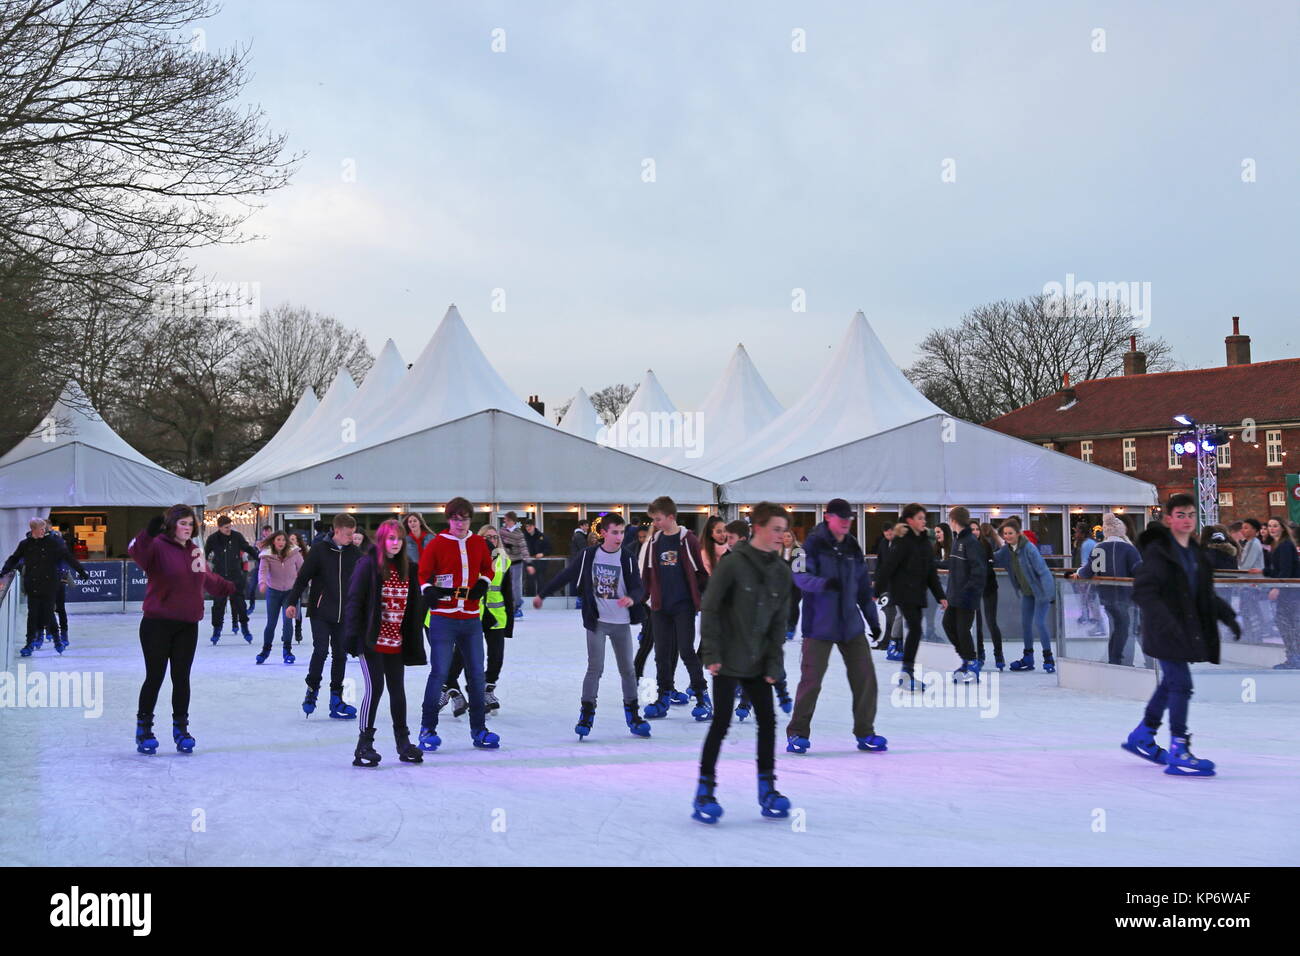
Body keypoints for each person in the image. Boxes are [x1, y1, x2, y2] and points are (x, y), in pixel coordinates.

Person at [1123, 493, 1240, 775]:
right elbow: (1144, 592)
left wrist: (1227, 616)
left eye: (1190, 515)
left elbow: (1202, 593)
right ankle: (1178, 748)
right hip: (1164, 631)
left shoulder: (1194, 553)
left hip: (1183, 629)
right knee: (1181, 685)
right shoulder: (1159, 553)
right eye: (1180, 515)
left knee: (1171, 684)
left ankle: (1143, 734)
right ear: (1168, 519)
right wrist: (1166, 622)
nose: (1186, 520)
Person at [694, 502, 795, 824]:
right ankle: (704, 791)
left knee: (767, 721)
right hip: (727, 657)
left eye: (784, 530)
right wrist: (711, 654)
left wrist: (774, 665)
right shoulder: (733, 564)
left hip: (759, 659)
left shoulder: (781, 571)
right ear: (759, 527)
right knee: (721, 722)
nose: (782, 535)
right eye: (776, 529)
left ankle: (768, 789)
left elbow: (779, 624)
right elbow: (709, 608)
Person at [127, 505, 236, 754]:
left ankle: (181, 728)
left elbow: (207, 578)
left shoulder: (195, 552)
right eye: (183, 523)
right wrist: (147, 533)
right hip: (157, 623)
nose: (188, 528)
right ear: (172, 524)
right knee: (155, 677)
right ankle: (144, 729)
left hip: (187, 625)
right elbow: (136, 551)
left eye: (190, 524)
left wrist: (231, 586)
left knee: (181, 679)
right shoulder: (156, 546)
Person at [535, 513, 651, 739]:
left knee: (627, 669)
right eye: (615, 532)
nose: (619, 537)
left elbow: (639, 587)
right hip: (597, 622)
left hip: (621, 622)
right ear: (604, 533)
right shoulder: (589, 555)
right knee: (594, 668)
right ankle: (586, 714)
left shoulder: (627, 557)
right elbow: (567, 574)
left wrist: (632, 599)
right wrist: (543, 594)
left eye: (621, 532)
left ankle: (633, 715)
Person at [785, 498, 887, 754]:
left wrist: (873, 621)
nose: (846, 523)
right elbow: (799, 577)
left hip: (850, 624)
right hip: (820, 624)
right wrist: (824, 584)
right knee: (812, 680)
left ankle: (865, 732)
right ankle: (797, 733)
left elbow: (863, 588)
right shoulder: (808, 545)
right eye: (841, 518)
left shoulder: (853, 546)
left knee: (865, 677)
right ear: (828, 517)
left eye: (849, 519)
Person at [343, 518, 429, 767]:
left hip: (395, 641)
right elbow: (355, 601)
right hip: (371, 640)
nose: (396, 543)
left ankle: (403, 743)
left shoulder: (408, 569)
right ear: (382, 540)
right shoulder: (368, 565)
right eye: (391, 538)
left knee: (397, 691)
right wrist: (352, 636)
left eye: (400, 539)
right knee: (375, 689)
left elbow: (414, 608)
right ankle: (364, 744)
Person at [417, 497, 500, 751]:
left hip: (471, 618)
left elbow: (488, 569)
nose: (460, 523)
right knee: (440, 672)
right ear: (448, 519)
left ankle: (479, 729)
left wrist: (483, 583)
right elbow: (423, 573)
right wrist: (428, 589)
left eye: (464, 518)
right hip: (444, 617)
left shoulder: (478, 543)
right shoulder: (437, 544)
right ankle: (427, 728)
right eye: (455, 518)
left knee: (476, 675)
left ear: (470, 519)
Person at [637, 495, 711, 720]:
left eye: (658, 519)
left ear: (671, 517)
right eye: (653, 520)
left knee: (687, 651)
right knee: (662, 654)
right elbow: (648, 573)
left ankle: (702, 696)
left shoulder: (687, 539)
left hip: (683, 606)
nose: (655, 524)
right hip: (660, 606)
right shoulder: (655, 541)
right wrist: (643, 599)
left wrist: (700, 598)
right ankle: (664, 695)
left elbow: (701, 572)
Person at [285, 513, 361, 719]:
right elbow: (302, 578)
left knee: (340, 655)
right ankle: (312, 690)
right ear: (336, 531)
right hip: (320, 611)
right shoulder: (319, 550)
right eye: (347, 534)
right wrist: (292, 602)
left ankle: (336, 698)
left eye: (353, 534)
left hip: (344, 613)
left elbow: (363, 582)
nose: (350, 538)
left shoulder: (355, 553)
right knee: (320, 650)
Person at [441, 526, 515, 717]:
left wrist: (509, 624)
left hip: (497, 617)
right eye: (487, 537)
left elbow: (508, 594)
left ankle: (487, 690)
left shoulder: (504, 562)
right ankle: (448, 687)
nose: (491, 540)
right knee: (463, 657)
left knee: (496, 657)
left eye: (494, 537)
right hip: (474, 615)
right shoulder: (469, 560)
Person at [874, 504, 947, 689]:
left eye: (924, 518)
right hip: (904, 592)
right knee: (915, 629)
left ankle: (907, 672)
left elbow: (931, 572)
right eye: (920, 518)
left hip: (917, 592)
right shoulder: (902, 541)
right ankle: (907, 673)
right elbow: (888, 567)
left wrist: (941, 596)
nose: (924, 521)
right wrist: (876, 591)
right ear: (909, 521)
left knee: (915, 631)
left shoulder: (923, 542)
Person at [2, 518, 87, 656]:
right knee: (32, 615)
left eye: (44, 528)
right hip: (33, 584)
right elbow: (14, 558)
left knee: (48, 613)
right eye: (41, 529)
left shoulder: (53, 543)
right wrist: (4, 571)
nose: (44, 531)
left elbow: (68, 557)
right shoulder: (25, 544)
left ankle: (57, 640)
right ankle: (29, 644)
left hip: (50, 584)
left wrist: (81, 571)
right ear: (33, 529)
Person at [1075, 513, 1143, 665]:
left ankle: (1114, 659)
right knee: (1123, 628)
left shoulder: (1099, 548)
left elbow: (1087, 571)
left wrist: (1078, 573)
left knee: (1118, 628)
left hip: (1105, 597)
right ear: (1121, 531)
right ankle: (1116, 659)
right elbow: (1139, 571)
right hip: (1124, 597)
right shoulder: (1128, 549)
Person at [993, 518, 1058, 672]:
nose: (1007, 536)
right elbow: (992, 558)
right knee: (1026, 623)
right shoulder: (1007, 550)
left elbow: (1043, 571)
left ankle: (1048, 657)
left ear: (1018, 533)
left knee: (1040, 623)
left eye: (1010, 533)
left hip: (1040, 591)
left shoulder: (1029, 548)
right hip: (1027, 592)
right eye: (1005, 534)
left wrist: (1049, 594)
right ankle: (1028, 657)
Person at [940, 507, 986, 682]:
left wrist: (968, 591)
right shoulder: (957, 540)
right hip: (955, 595)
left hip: (966, 596)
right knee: (948, 625)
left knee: (962, 630)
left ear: (953, 520)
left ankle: (972, 662)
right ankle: (967, 659)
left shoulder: (970, 542)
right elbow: (952, 565)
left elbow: (979, 571)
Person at [204, 515, 258, 643]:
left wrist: (258, 556)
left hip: (235, 576)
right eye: (226, 527)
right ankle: (217, 629)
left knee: (240, 603)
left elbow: (247, 548)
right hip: (219, 577)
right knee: (218, 604)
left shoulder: (237, 536)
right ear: (219, 527)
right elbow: (205, 554)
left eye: (230, 526)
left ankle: (245, 627)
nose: (229, 529)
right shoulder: (213, 539)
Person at [255, 530, 303, 665]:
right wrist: (262, 583)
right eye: (278, 540)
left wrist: (308, 581)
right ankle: (265, 650)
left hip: (290, 592)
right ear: (273, 541)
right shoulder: (267, 555)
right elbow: (263, 571)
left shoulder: (294, 553)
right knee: (271, 623)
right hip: (273, 592)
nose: (281, 542)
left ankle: (287, 651)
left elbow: (303, 568)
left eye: (283, 540)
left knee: (288, 622)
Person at [1264, 517, 1300, 669]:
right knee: (1287, 624)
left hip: (1289, 593)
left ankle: (1294, 658)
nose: (1271, 529)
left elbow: (1285, 570)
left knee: (1288, 625)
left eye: (1275, 526)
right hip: (1288, 593)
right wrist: (1264, 571)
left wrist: (1277, 588)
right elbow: (1279, 570)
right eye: (1269, 526)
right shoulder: (1279, 545)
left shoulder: (1284, 545)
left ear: (1282, 528)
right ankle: (1293, 657)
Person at [974, 523, 1006, 669]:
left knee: (991, 622)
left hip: (989, 587)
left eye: (977, 529)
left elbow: (989, 566)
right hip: (973, 589)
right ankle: (980, 654)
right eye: (972, 529)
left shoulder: (985, 545)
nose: (975, 532)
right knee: (977, 624)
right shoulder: (965, 547)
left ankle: (999, 654)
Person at [498, 511, 529, 619]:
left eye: (506, 519)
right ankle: (506, 604)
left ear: (511, 520)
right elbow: (498, 544)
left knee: (515, 585)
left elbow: (523, 547)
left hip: (516, 562)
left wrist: (528, 562)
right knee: (503, 583)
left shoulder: (518, 533)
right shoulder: (502, 531)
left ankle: (517, 605)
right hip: (504, 562)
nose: (504, 521)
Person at [781, 528, 805, 641]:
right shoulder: (778, 551)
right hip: (782, 584)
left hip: (796, 584)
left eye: (788, 536)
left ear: (793, 538)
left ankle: (791, 627)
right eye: (784, 536)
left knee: (792, 605)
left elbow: (799, 569)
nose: (786, 539)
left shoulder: (798, 551)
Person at [286, 532, 311, 643]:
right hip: (286, 584)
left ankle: (298, 629)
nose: (291, 541)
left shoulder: (303, 554)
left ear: (298, 541)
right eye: (289, 539)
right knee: (286, 607)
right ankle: (286, 630)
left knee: (297, 608)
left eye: (293, 539)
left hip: (298, 584)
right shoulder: (285, 552)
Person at [246, 524, 273, 613]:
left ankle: (273, 606)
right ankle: (251, 605)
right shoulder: (258, 542)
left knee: (272, 588)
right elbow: (252, 555)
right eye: (265, 531)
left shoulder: (275, 541)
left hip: (272, 568)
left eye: (268, 531)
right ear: (262, 532)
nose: (267, 533)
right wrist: (257, 549)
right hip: (259, 567)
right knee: (252, 587)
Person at [522, 518, 551, 596]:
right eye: (527, 526)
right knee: (529, 581)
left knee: (541, 581)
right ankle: (529, 597)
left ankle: (541, 597)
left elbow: (549, 548)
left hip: (540, 563)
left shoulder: (541, 536)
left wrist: (543, 554)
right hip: (528, 563)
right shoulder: (523, 537)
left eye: (530, 526)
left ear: (534, 526)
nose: (528, 528)